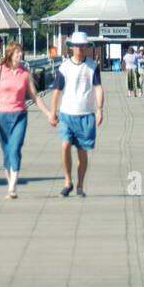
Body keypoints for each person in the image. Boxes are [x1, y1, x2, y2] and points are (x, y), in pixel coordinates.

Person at [0, 41, 54, 199]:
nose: (20, 55)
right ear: (10, 53)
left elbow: (35, 96)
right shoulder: (0, 70)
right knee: (7, 151)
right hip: (2, 114)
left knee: (15, 148)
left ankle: (12, 187)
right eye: (17, 52)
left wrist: (48, 113)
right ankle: (10, 181)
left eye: (21, 52)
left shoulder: (25, 73)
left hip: (19, 115)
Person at [50, 31, 104, 197]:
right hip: (67, 112)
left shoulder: (92, 66)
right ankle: (68, 181)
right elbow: (57, 90)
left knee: (82, 151)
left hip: (86, 113)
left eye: (82, 46)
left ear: (86, 47)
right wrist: (52, 111)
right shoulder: (64, 67)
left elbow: (98, 88)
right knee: (65, 145)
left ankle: (80, 184)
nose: (79, 48)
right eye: (76, 45)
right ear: (71, 47)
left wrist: (100, 109)